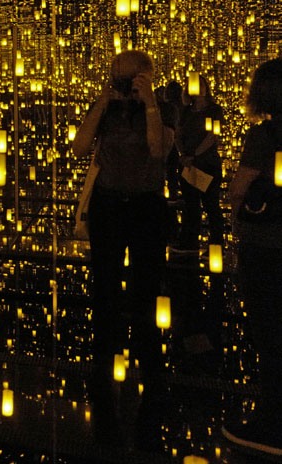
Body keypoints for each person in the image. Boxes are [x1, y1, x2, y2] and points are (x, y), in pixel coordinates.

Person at [71, 49, 173, 450]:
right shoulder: (107, 108)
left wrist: (148, 102)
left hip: (146, 205)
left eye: (131, 78)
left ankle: (151, 367)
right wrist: (102, 99)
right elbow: (80, 147)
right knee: (105, 284)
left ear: (147, 77)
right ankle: (102, 362)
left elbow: (156, 149)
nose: (124, 85)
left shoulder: (164, 108)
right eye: (119, 78)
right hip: (109, 204)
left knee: (145, 289)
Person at [223, 58, 282, 457]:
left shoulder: (264, 135)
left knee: (270, 333)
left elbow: (240, 186)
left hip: (267, 246)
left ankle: (271, 427)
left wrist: (232, 202)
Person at [171, 76, 224, 256]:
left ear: (205, 87)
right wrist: (183, 154)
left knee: (211, 205)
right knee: (191, 205)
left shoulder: (214, 110)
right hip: (188, 166)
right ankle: (189, 242)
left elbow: (212, 136)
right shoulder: (185, 111)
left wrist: (194, 155)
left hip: (207, 165)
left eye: (199, 84)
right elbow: (177, 134)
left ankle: (216, 244)